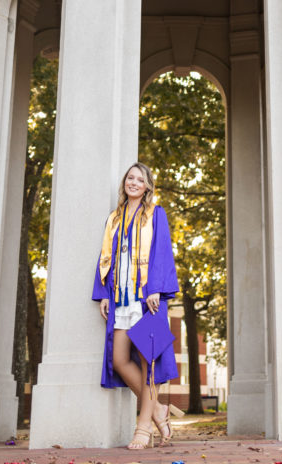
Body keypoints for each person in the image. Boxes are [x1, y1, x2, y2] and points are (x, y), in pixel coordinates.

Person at [93, 161, 179, 449]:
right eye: (130, 178)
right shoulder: (114, 218)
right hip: (121, 297)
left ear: (147, 187)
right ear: (125, 183)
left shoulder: (156, 214)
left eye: (139, 180)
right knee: (119, 359)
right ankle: (157, 410)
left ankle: (143, 429)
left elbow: (162, 251)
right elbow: (105, 258)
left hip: (145, 299)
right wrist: (104, 293)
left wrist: (155, 288)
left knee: (149, 363)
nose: (133, 183)